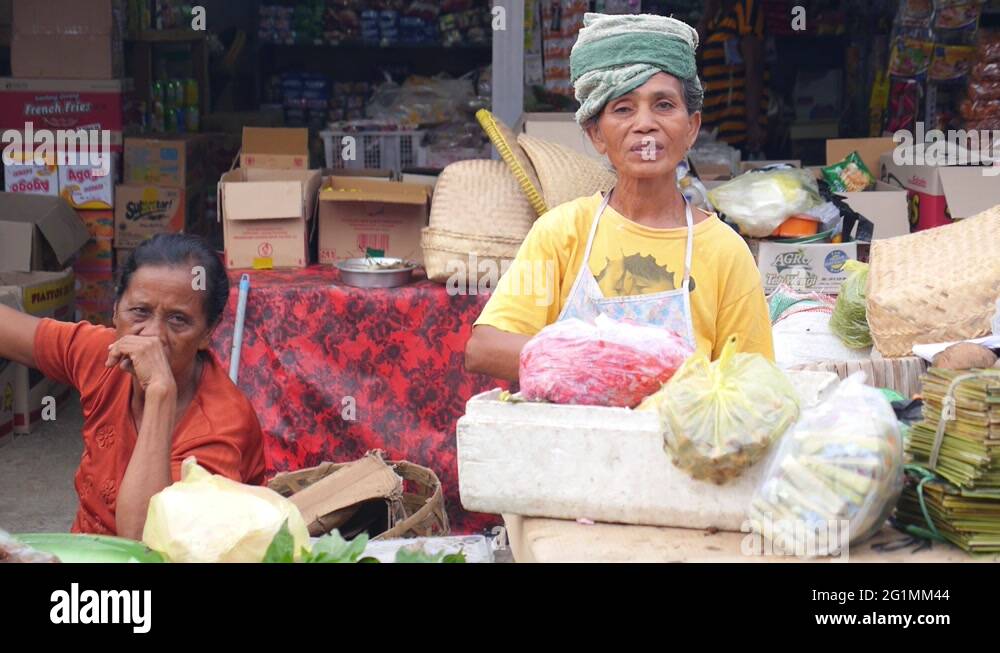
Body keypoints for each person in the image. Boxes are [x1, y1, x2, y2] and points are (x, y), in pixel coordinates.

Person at [465, 12, 773, 383]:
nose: (645, 123)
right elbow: (484, 348)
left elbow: (755, 381)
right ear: (596, 134)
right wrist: (607, 365)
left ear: (691, 128)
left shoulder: (726, 251)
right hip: (574, 439)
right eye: (623, 108)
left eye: (664, 105)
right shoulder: (562, 232)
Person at [0, 234, 265, 540]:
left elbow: (143, 539)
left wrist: (160, 393)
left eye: (178, 320)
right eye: (140, 311)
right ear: (115, 311)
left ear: (208, 333)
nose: (151, 335)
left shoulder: (221, 426)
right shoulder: (100, 352)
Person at [696, 0, 769, 155]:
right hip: (712, 127)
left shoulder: (746, 10)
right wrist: (705, 18)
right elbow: (693, 60)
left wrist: (753, 123)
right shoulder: (714, 18)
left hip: (737, 124)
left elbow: (754, 68)